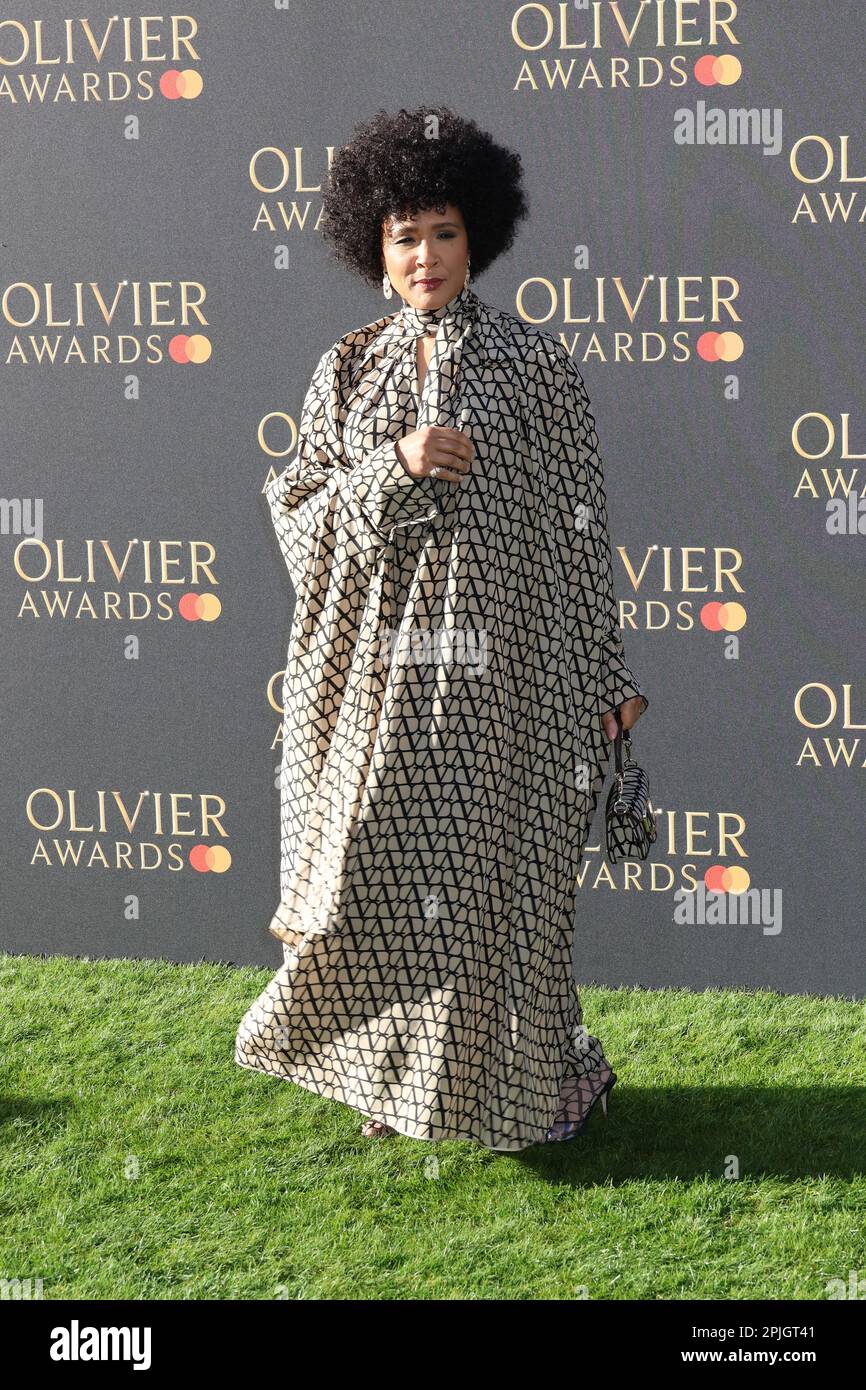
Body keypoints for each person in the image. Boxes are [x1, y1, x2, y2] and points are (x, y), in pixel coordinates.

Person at [235, 105, 648, 1151]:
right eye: (404, 235)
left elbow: (577, 529)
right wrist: (395, 464)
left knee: (504, 886)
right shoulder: (347, 368)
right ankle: (406, 1080)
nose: (424, 255)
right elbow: (299, 515)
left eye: (444, 232)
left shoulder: (540, 370)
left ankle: (551, 1080)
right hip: (379, 685)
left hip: (510, 678)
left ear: (479, 238)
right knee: (376, 880)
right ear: (373, 245)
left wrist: (604, 671)